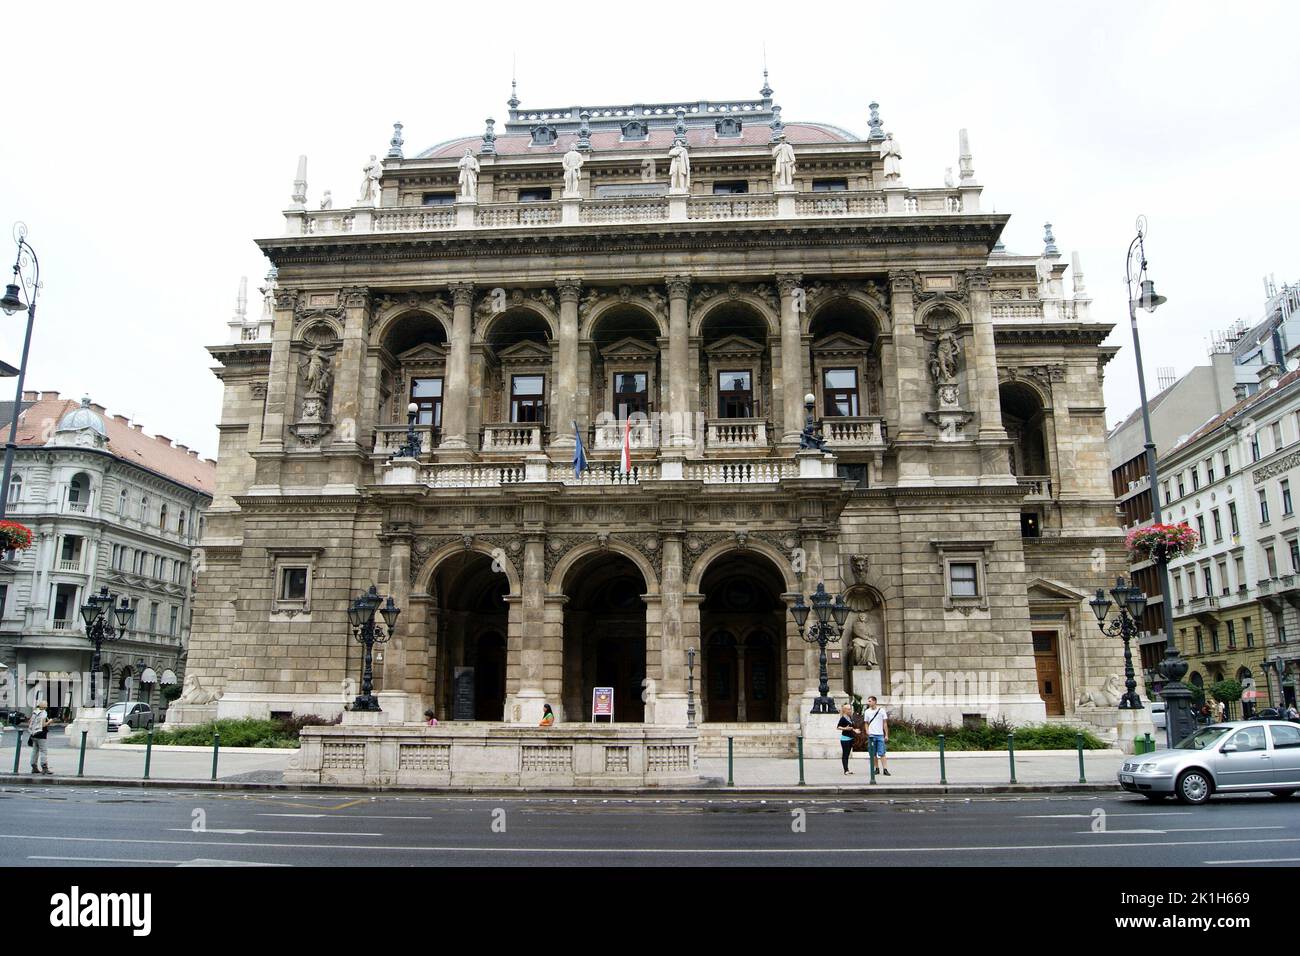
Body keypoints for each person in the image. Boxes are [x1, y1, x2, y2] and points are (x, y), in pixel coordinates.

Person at [862, 695, 890, 776]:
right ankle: (876, 769)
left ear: (874, 702)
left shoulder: (881, 711)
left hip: (880, 735)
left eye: (870, 701)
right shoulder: (867, 711)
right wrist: (867, 731)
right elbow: (866, 723)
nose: (868, 702)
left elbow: (885, 723)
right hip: (871, 735)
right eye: (868, 701)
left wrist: (886, 735)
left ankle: (885, 769)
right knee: (873, 754)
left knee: (882, 753)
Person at [27, 699, 52, 775]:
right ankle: (44, 767)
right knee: (43, 751)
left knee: (35, 750)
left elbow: (29, 722)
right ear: (45, 707)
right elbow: (43, 725)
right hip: (41, 735)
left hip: (33, 734)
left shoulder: (35, 712)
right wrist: (50, 721)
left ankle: (33, 766)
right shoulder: (44, 713)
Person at [836, 703, 858, 775]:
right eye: (849, 709)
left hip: (850, 738)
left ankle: (847, 769)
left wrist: (855, 730)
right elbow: (838, 727)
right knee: (845, 755)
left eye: (850, 709)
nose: (850, 710)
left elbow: (851, 727)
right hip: (845, 739)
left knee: (847, 754)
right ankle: (846, 770)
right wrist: (845, 728)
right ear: (845, 710)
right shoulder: (843, 718)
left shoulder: (850, 717)